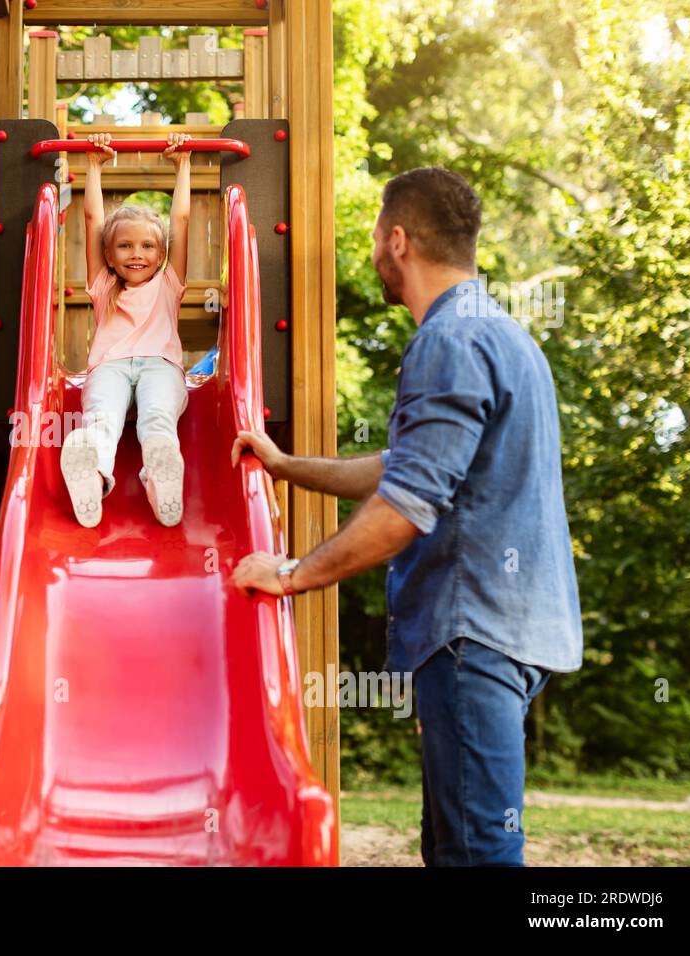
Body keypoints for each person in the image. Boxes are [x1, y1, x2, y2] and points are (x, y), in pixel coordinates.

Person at [231, 167, 583, 866]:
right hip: (512, 629)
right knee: (455, 846)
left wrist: (292, 574)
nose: (371, 255)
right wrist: (284, 465)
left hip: (469, 630)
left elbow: (404, 509)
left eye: (372, 240)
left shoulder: (447, 342)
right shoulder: (506, 336)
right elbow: (405, 469)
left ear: (397, 240)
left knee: (477, 853)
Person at [60, 131, 192, 528]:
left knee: (157, 416)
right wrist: (94, 166)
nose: (137, 254)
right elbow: (91, 219)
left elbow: (181, 220)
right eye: (125, 247)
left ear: (162, 254)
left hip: (161, 366)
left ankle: (160, 477)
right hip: (111, 368)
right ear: (109, 255)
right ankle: (94, 477)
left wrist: (183, 165)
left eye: (148, 247)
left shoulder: (169, 283)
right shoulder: (104, 285)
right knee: (101, 417)